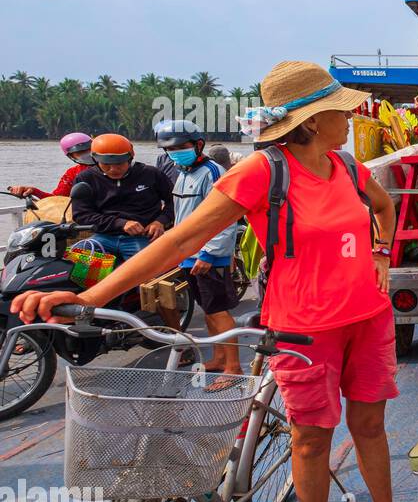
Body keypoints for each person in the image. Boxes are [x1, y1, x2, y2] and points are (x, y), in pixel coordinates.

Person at [13, 61, 418, 502]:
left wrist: (379, 255)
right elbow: (182, 241)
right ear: (310, 119)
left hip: (368, 320)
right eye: (339, 110)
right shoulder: (260, 173)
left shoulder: (347, 166)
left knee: (369, 426)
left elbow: (384, 206)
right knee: (311, 440)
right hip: (302, 328)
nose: (349, 118)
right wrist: (90, 297)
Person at [154, 120, 244, 381]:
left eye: (182, 147)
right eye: (170, 149)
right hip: (189, 255)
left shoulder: (212, 172)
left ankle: (233, 367)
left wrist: (208, 253)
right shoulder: (183, 172)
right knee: (208, 310)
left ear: (198, 145)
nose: (175, 152)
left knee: (219, 311)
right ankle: (218, 359)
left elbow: (225, 217)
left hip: (208, 256)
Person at [70, 133, 174, 262]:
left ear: (130, 157)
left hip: (142, 237)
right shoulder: (85, 178)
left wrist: (161, 221)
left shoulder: (150, 173)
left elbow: (175, 202)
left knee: (143, 268)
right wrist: (120, 224)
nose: (113, 169)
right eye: (106, 164)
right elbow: (81, 215)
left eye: (119, 163)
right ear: (96, 160)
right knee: (74, 261)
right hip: (104, 236)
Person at [8, 132, 95, 198]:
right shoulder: (72, 173)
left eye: (89, 149)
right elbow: (57, 199)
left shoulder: (108, 166)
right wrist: (34, 191)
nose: (87, 153)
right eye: (80, 152)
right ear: (71, 156)